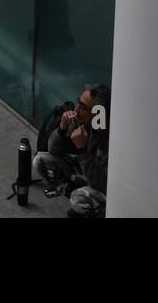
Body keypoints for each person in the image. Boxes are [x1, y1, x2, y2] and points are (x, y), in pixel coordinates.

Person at [32, 84, 111, 217]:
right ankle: (74, 189)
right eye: (78, 102)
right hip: (84, 172)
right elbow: (53, 150)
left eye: (84, 107)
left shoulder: (109, 138)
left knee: (79, 199)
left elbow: (102, 183)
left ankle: (97, 210)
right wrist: (62, 129)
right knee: (40, 160)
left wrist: (81, 151)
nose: (77, 109)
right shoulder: (82, 121)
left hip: (103, 186)